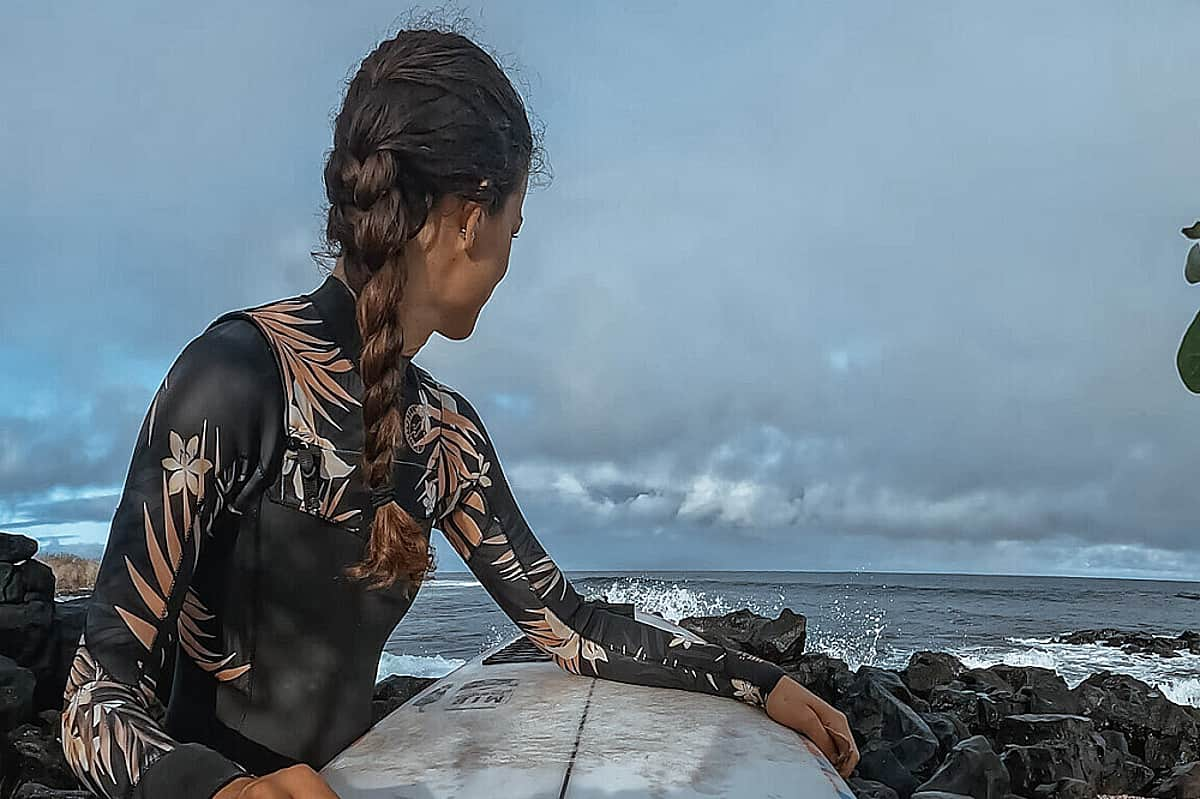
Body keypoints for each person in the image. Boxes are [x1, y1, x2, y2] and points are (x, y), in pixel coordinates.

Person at [59, 26, 860, 799]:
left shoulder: (445, 435)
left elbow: (570, 625)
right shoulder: (238, 376)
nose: (510, 257)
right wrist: (229, 790)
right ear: (472, 217)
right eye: (515, 224)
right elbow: (94, 699)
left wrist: (763, 684)